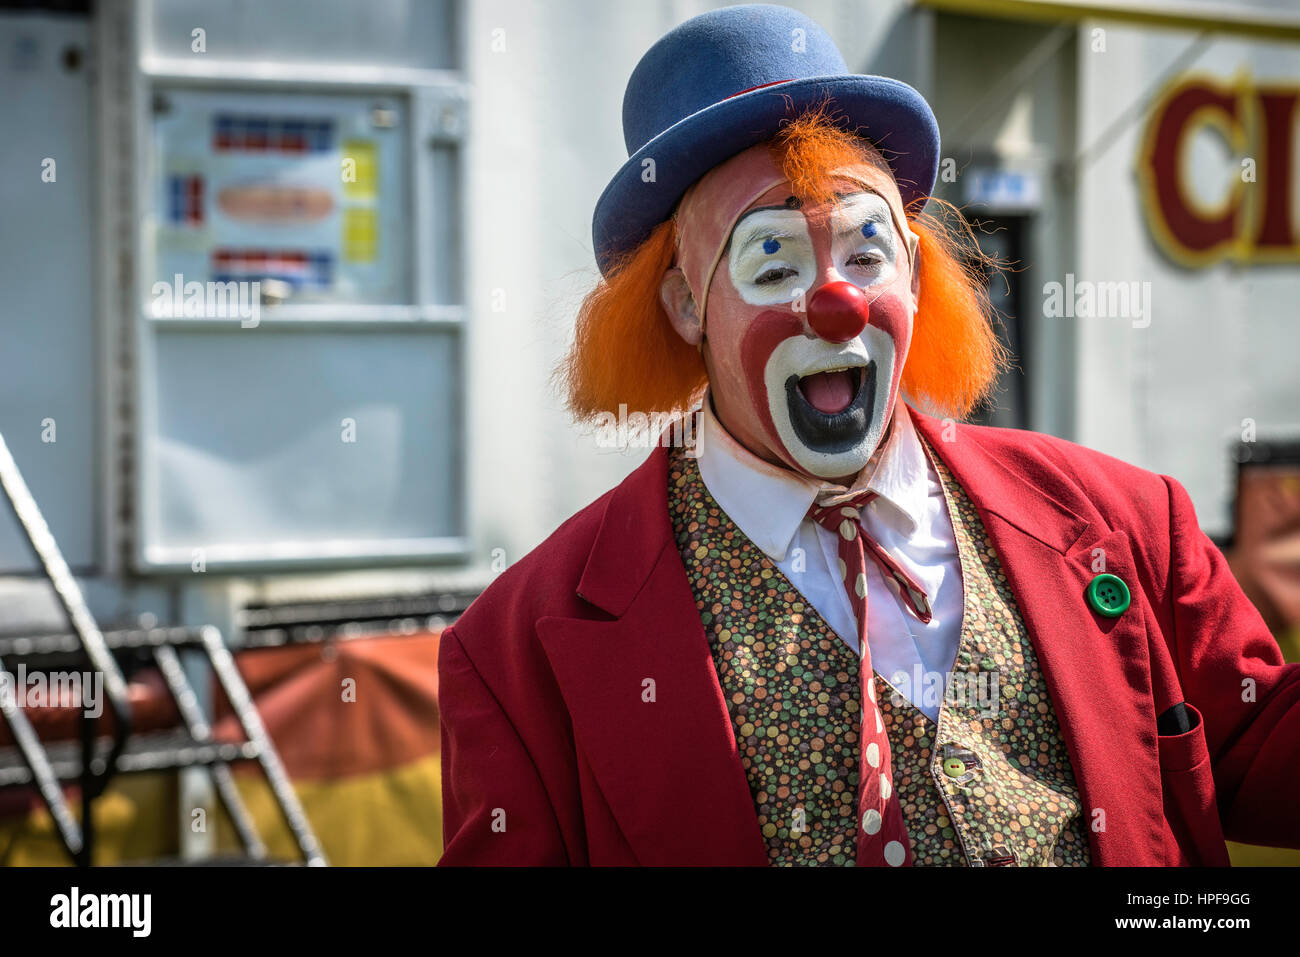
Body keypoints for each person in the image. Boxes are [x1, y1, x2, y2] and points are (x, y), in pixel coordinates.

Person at [437, 3, 1300, 866]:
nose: (836, 302)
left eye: (865, 253)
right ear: (685, 304)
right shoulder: (514, 653)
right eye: (773, 262)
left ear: (916, 277)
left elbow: (1259, 743)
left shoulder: (1129, 520)